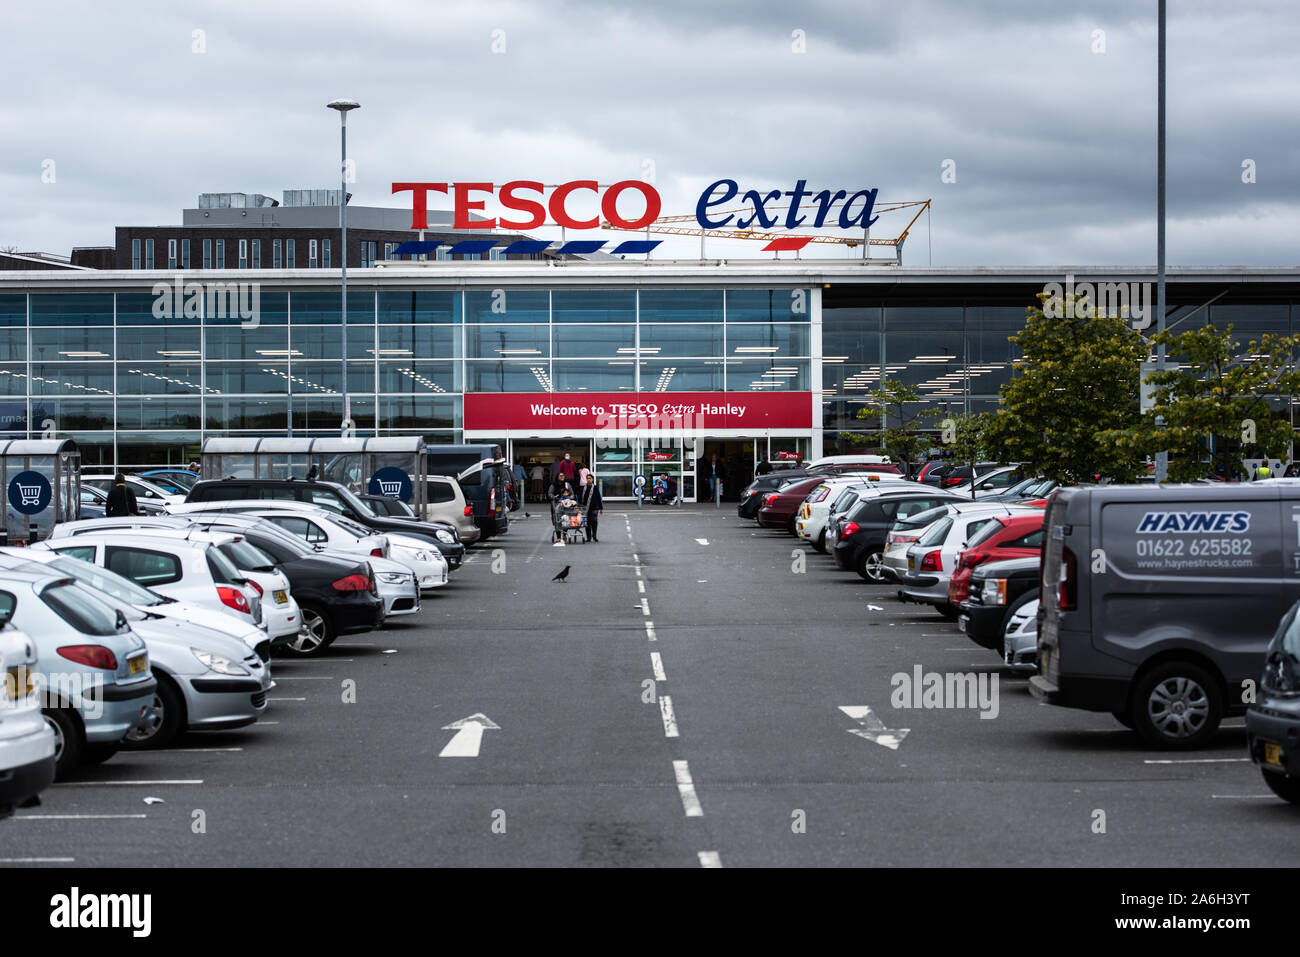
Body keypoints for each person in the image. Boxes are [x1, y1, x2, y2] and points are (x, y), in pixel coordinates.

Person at [580, 472, 603, 542]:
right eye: (587, 478)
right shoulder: (584, 488)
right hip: (586, 508)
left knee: (594, 521)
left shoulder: (595, 488)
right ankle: (589, 537)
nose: (588, 480)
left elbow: (599, 497)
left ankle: (595, 536)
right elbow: (582, 498)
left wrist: (601, 508)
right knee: (587, 523)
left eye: (590, 478)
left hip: (594, 507)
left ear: (592, 479)